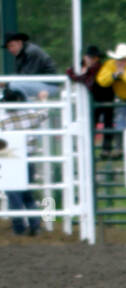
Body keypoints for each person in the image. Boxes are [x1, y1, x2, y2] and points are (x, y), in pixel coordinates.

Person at [1, 85, 46, 235]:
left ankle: (19, 227)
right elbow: (44, 114)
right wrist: (43, 100)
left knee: (13, 194)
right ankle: (35, 225)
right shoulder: (30, 116)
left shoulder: (3, 120)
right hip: (27, 159)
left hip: (10, 160)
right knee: (27, 193)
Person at [66, 45, 118, 158]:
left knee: (107, 122)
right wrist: (81, 71)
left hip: (106, 95)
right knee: (93, 122)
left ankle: (106, 149)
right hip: (96, 97)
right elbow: (70, 72)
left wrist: (81, 73)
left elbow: (86, 79)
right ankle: (88, 146)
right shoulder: (83, 66)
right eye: (89, 57)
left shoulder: (98, 68)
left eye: (94, 58)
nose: (92, 60)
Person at [4, 32, 59, 99]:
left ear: (19, 42)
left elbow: (27, 76)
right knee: (9, 90)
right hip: (39, 84)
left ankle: (29, 108)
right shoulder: (21, 54)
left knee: (13, 86)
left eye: (11, 46)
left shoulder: (31, 52)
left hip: (49, 85)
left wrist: (5, 82)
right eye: (8, 47)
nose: (10, 49)